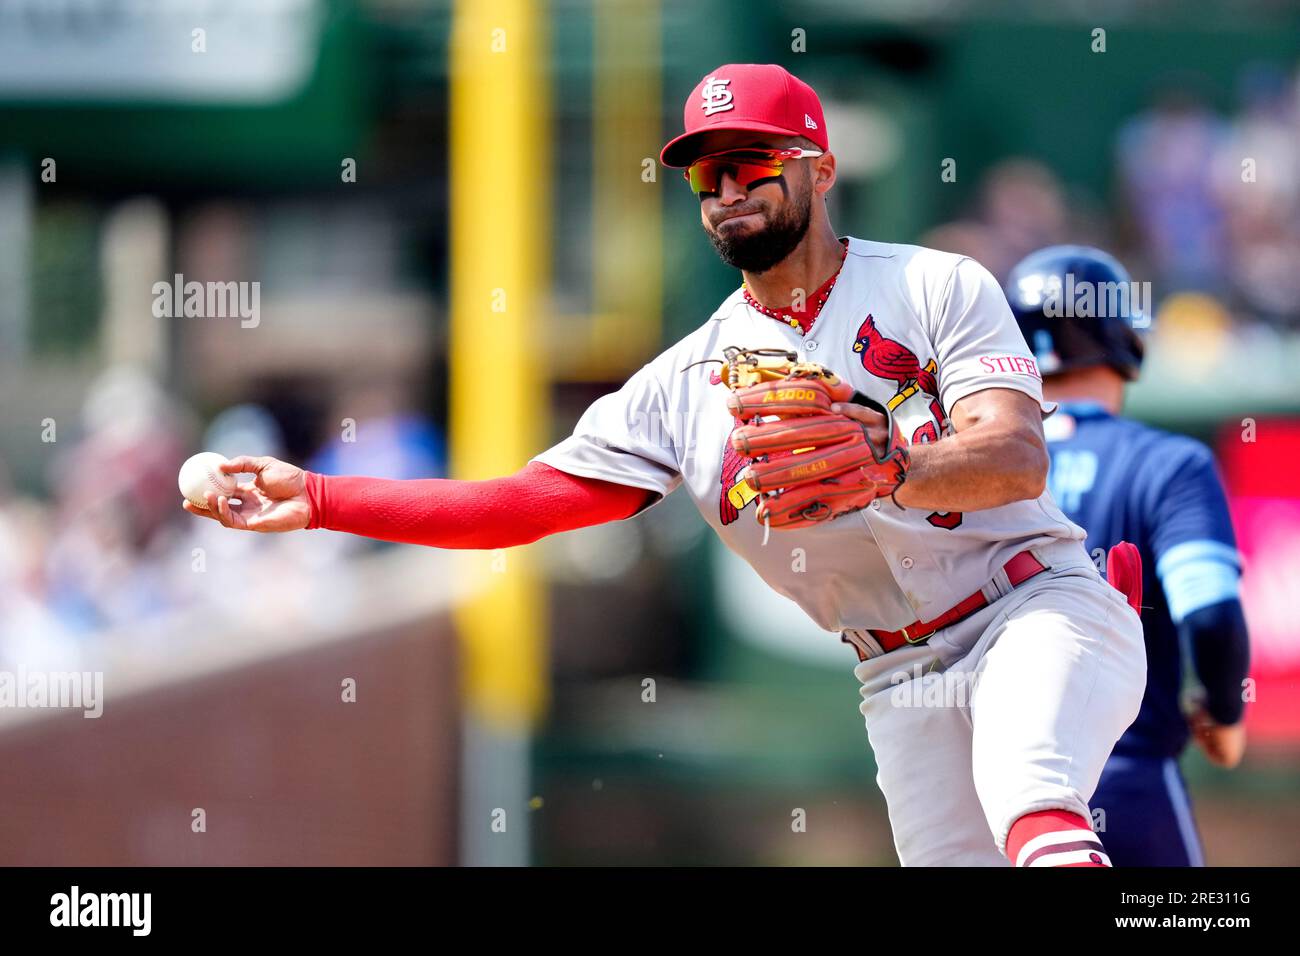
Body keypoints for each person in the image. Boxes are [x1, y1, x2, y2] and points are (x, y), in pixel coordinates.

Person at [184, 64, 1145, 867]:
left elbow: (1018, 459)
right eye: (705, 176)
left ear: (819, 166)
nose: (726, 192)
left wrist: (892, 464)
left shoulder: (936, 284)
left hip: (1033, 609)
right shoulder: (680, 385)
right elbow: (515, 505)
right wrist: (315, 498)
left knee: (1031, 796)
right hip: (897, 675)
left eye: (751, 165)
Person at [1006, 245, 1251, 866]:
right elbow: (1212, 613)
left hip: (991, 796)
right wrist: (1223, 714)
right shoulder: (1170, 464)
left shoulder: (965, 469)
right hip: (1128, 780)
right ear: (1123, 338)